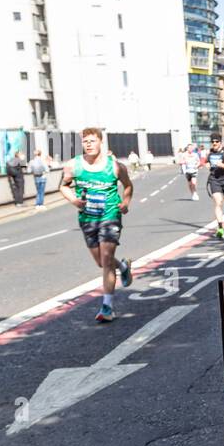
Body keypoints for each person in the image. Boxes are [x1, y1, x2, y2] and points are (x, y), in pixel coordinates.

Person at [60, 127, 134, 323]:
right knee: (101, 262)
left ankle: (107, 306)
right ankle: (123, 266)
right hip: (87, 218)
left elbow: (127, 186)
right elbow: (63, 185)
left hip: (110, 215)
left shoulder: (116, 167)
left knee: (107, 258)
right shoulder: (73, 166)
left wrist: (125, 203)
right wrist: (74, 201)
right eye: (85, 142)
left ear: (101, 142)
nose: (89, 145)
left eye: (93, 141)